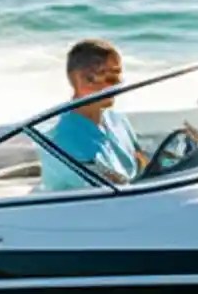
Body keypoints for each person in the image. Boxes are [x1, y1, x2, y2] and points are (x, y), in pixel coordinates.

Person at [40, 38, 148, 190]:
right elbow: (110, 185)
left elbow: (141, 162)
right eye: (107, 76)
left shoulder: (118, 120)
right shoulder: (60, 141)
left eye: (117, 74)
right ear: (79, 79)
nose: (117, 83)